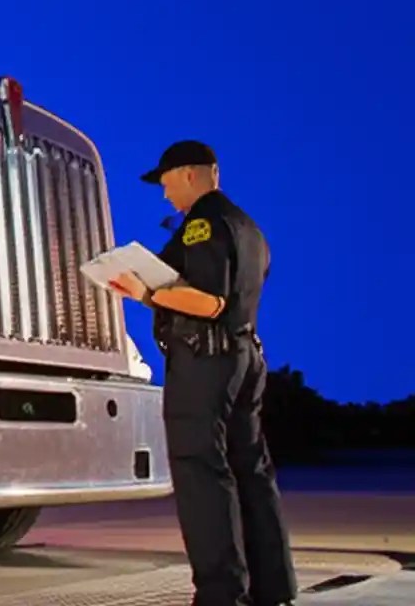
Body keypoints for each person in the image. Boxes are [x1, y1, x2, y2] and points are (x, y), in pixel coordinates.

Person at [109, 140, 297, 606]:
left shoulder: (203, 226)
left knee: (202, 473)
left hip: (206, 361)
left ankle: (221, 593)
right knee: (250, 469)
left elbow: (209, 301)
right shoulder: (248, 228)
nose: (165, 194)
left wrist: (144, 292)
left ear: (191, 174)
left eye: (167, 183)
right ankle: (272, 588)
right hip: (245, 357)